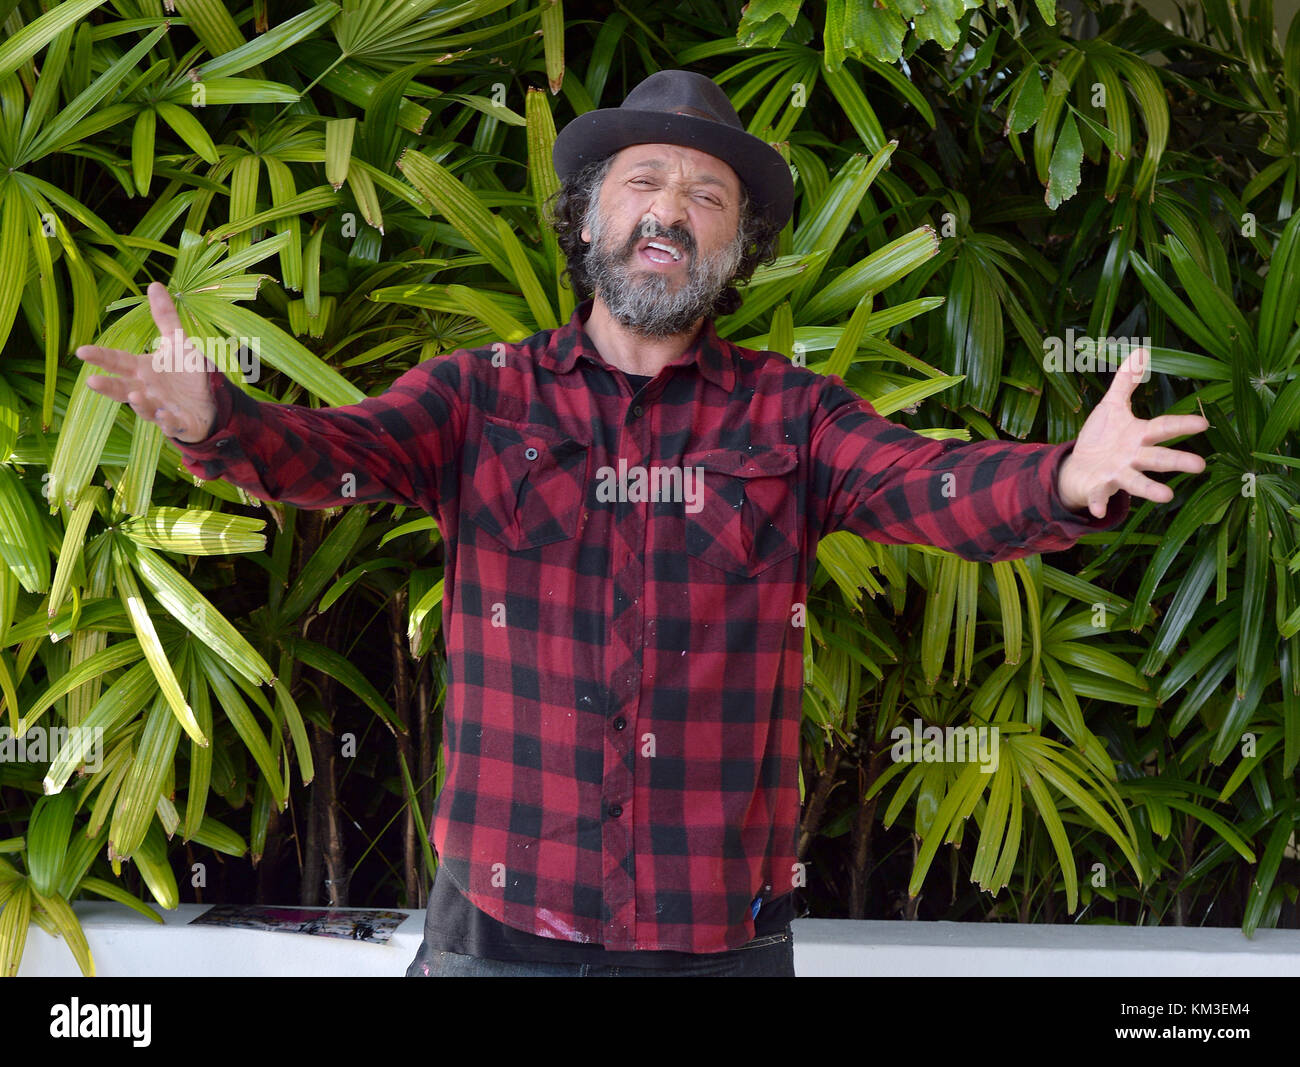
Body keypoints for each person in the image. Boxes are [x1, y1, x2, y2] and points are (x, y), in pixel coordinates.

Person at [76, 69, 1210, 977]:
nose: (669, 207)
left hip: (715, 932)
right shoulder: (480, 393)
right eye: (643, 181)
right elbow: (337, 459)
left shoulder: (792, 413)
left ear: (734, 250)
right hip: (497, 925)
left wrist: (1066, 478)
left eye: (705, 196)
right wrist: (220, 418)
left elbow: (926, 484)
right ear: (590, 216)